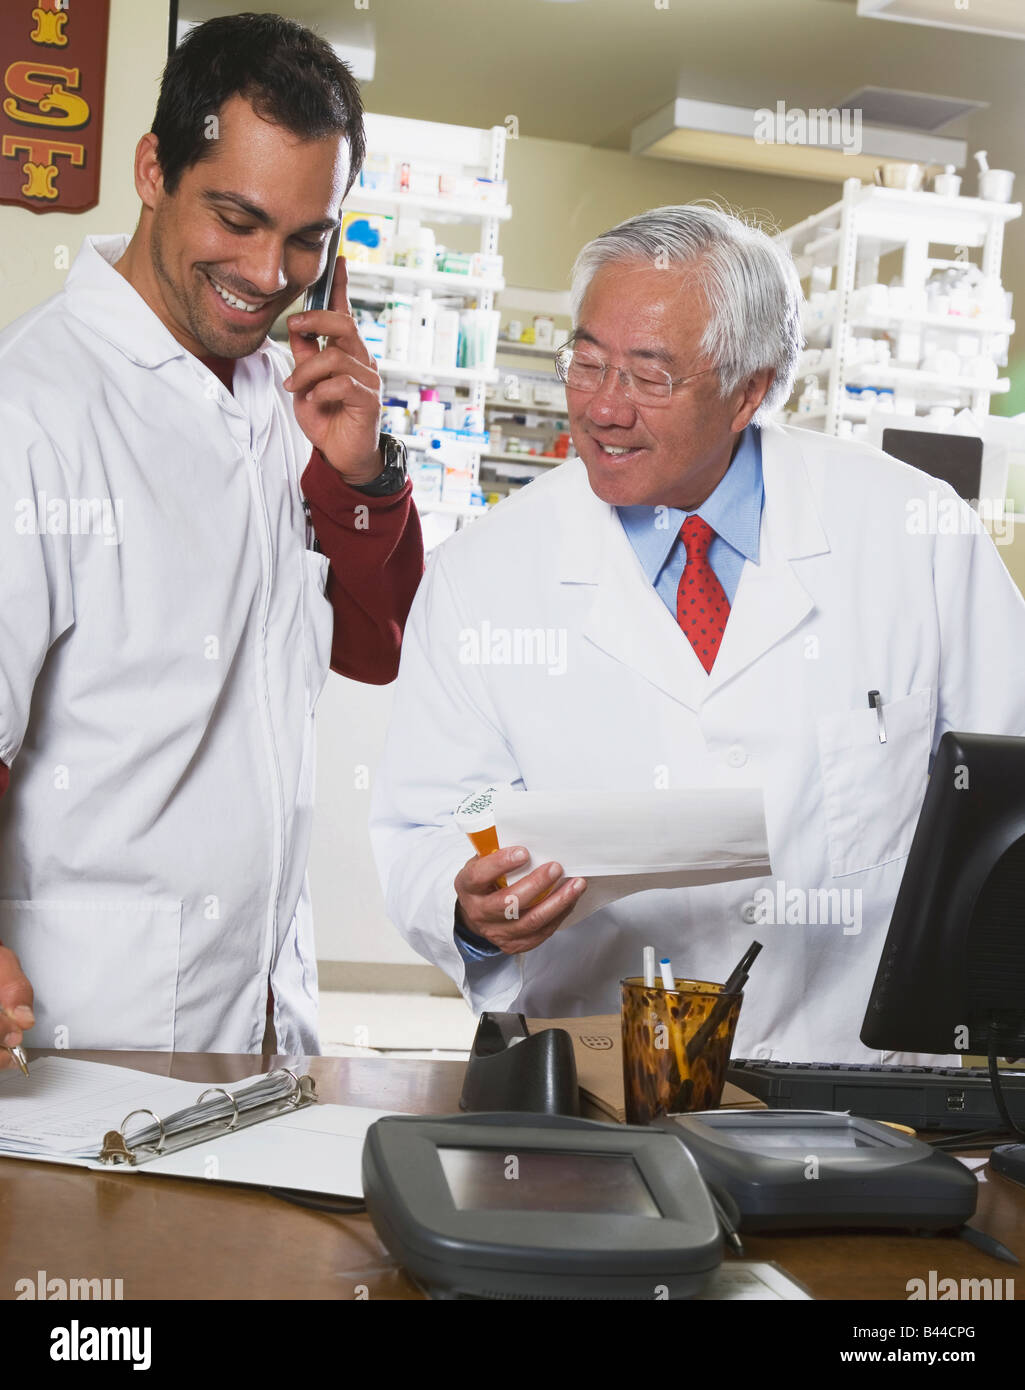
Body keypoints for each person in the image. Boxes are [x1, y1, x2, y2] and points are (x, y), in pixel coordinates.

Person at [370, 203, 1025, 1063]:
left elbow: (1005, 795)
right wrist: (472, 914)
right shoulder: (480, 575)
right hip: (598, 1080)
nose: (602, 408)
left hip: (857, 1086)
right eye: (587, 361)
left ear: (748, 388)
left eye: (647, 376)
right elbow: (428, 821)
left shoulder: (913, 531)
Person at [0, 14, 423, 1064]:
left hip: (268, 1014)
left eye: (305, 238)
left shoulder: (285, 396)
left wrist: (360, 475)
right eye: (235, 218)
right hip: (91, 1019)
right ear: (154, 170)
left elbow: (372, 647)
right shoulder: (35, 408)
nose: (268, 270)